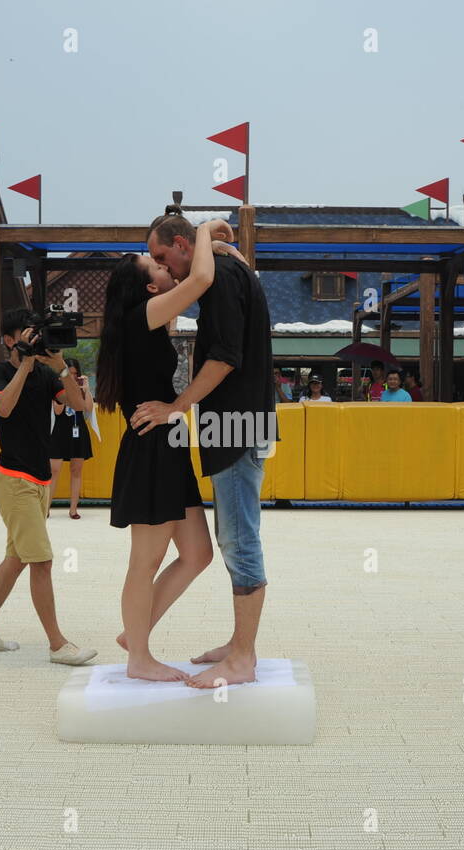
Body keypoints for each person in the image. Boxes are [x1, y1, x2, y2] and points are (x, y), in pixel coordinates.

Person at [133, 209, 278, 688]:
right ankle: (241, 645)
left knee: (239, 540)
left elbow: (224, 357)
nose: (163, 266)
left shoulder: (219, 277)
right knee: (235, 537)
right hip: (236, 423)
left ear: (180, 243)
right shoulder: (221, 271)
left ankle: (243, 658)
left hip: (236, 425)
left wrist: (177, 406)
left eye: (161, 255)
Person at [96, 218, 234, 681]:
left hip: (168, 443)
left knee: (198, 554)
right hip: (151, 447)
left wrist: (206, 245)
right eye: (151, 265)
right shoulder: (144, 316)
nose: (161, 265)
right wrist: (204, 227)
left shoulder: (153, 317)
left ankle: (134, 632)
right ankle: (138, 657)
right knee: (146, 559)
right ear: (146, 288)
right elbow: (199, 279)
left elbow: (192, 276)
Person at [0, 309, 94, 665]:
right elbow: (3, 410)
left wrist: (61, 364)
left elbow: (80, 404)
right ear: (10, 340)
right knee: (42, 561)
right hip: (14, 480)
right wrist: (24, 364)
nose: (36, 339)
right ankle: (58, 645)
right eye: (27, 334)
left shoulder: (47, 374)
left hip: (39, 482)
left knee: (16, 559)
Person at [48, 357, 94, 520]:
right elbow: (58, 410)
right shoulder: (57, 387)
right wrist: (65, 386)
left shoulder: (81, 388)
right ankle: (46, 508)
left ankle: (73, 509)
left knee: (76, 470)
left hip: (78, 430)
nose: (73, 377)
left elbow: (88, 408)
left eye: (75, 374)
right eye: (69, 373)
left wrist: (86, 389)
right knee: (54, 470)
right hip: (60, 431)